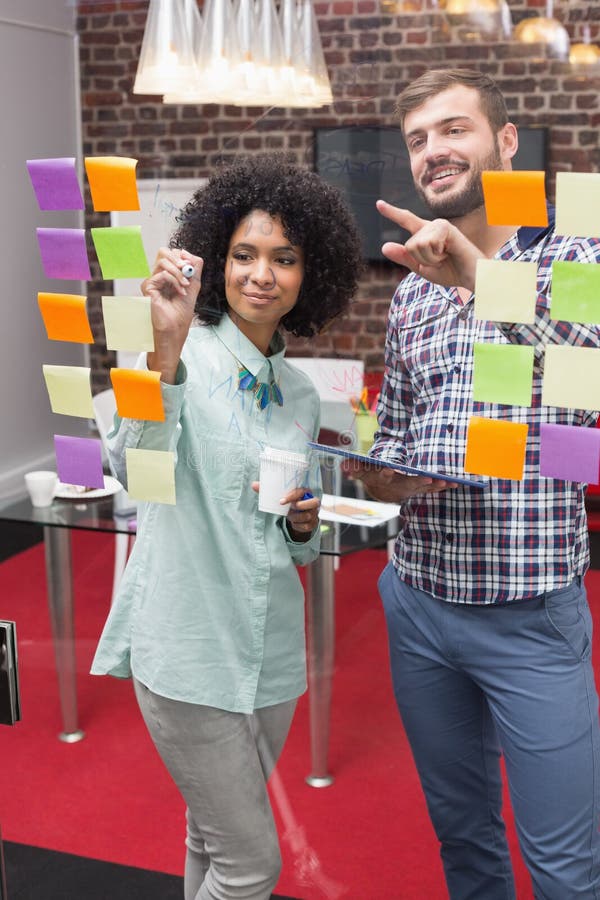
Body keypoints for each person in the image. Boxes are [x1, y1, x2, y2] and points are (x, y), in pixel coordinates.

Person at [350, 68, 600, 899]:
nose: (434, 151)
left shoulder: (572, 252)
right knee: (463, 840)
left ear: (506, 141)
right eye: (418, 139)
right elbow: (397, 434)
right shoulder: (410, 298)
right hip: (418, 604)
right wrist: (383, 477)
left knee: (567, 872)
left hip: (532, 614)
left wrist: (477, 280)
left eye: (454, 129)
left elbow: (592, 369)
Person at [90, 154, 363, 900]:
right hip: (190, 651)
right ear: (218, 259)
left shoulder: (299, 393)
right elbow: (134, 468)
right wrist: (165, 350)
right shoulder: (176, 352)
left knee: (209, 838)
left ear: (310, 274)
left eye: (285, 258)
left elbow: (294, 543)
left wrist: (303, 525)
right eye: (244, 254)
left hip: (270, 654)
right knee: (251, 867)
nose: (261, 275)